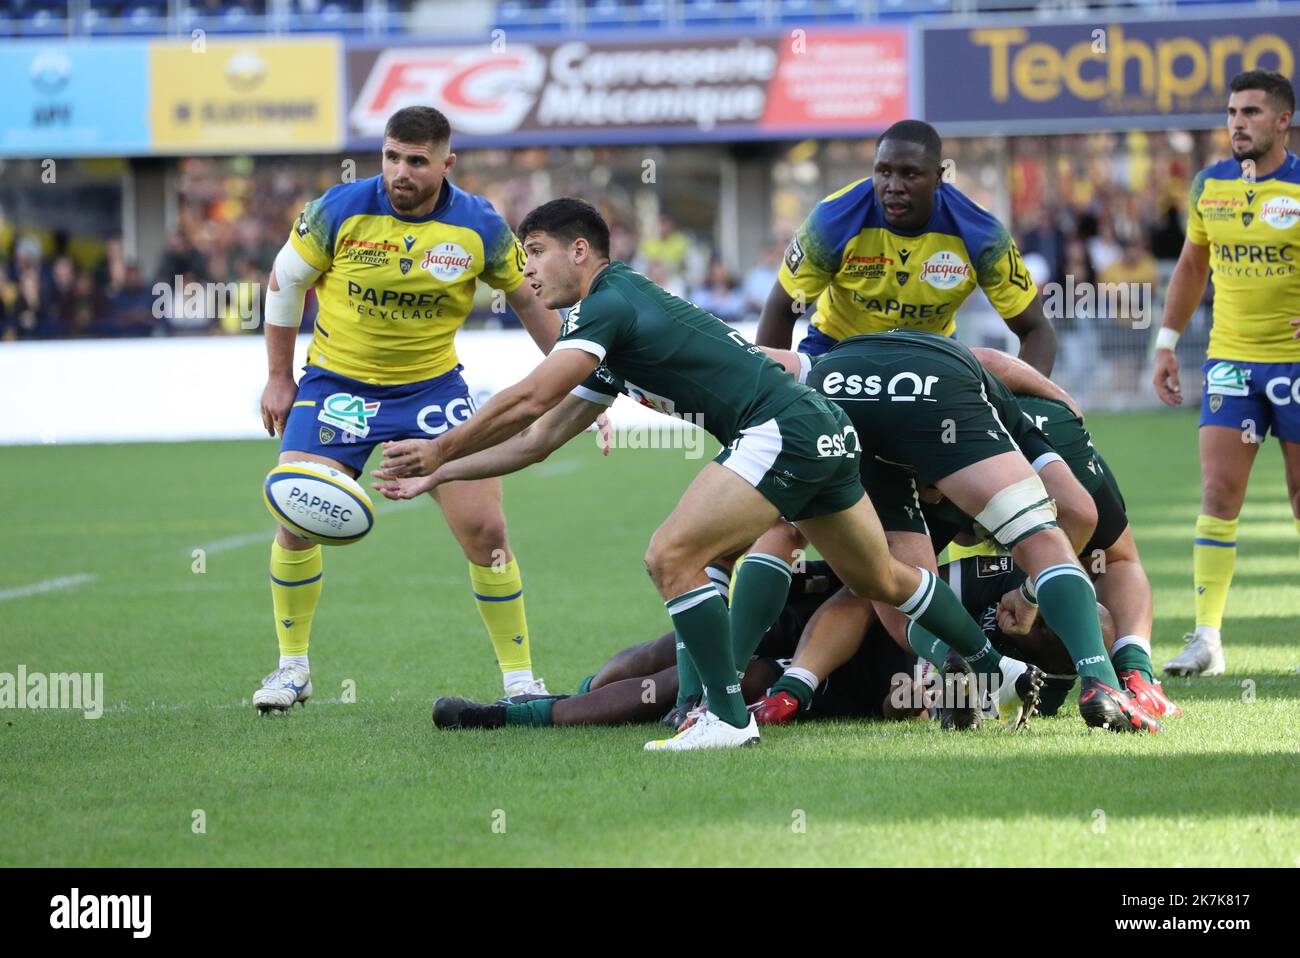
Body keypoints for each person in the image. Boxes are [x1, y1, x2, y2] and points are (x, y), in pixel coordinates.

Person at [373, 197, 1039, 751]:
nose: (527, 270)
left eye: (536, 251)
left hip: (782, 428)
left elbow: (530, 398)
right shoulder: (612, 319)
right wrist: (443, 471)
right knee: (884, 579)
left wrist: (440, 447)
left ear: (581, 251)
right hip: (823, 430)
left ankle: (724, 715)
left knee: (671, 554)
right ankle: (997, 668)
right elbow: (538, 440)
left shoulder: (606, 301)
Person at [252, 106, 562, 713]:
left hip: (431, 394)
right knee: (294, 518)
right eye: (392, 156)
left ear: (447, 164)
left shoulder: (480, 225)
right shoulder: (340, 208)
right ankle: (292, 669)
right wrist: (278, 377)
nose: (400, 171)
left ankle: (521, 681)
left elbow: (528, 301)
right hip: (336, 388)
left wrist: (577, 383)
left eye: (417, 161)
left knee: (487, 532)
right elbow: (284, 282)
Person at [762, 330, 1162, 732]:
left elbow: (873, 593)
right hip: (926, 383)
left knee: (890, 584)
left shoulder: (1008, 432)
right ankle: (1101, 682)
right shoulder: (1032, 424)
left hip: (838, 385)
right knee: (1042, 539)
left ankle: (726, 694)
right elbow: (1078, 512)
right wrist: (1027, 594)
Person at [1152, 70, 1300, 677]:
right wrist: (1166, 343)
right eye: (1233, 112)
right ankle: (1207, 640)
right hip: (1231, 363)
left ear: (1283, 121)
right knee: (1217, 495)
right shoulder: (1210, 185)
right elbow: (1192, 265)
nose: (1237, 122)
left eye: (1252, 112)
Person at [754, 119, 1055, 374]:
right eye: (884, 172)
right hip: (836, 352)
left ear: (938, 178)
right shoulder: (832, 220)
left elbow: (1037, 331)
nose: (894, 186)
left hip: (930, 360)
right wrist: (768, 394)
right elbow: (782, 309)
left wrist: (1025, 409)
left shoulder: (983, 235)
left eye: (909, 174)